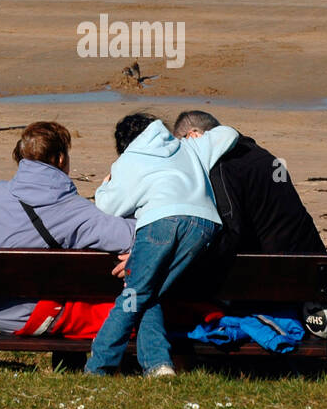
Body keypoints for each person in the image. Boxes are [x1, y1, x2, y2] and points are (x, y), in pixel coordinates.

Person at [85, 113, 239, 377]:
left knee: (133, 295)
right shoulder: (187, 146)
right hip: (204, 224)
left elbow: (108, 206)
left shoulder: (129, 159)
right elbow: (230, 134)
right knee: (150, 293)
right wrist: (200, 137)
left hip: (160, 222)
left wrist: (105, 185)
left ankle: (98, 366)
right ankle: (158, 366)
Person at [0, 122, 134, 337]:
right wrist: (112, 197)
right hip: (33, 315)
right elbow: (132, 237)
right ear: (60, 159)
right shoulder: (71, 209)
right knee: (134, 314)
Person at [171, 110, 325, 260]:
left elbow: (231, 226)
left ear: (194, 136)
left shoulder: (223, 166)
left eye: (183, 146)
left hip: (276, 264)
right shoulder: (262, 154)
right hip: (309, 250)